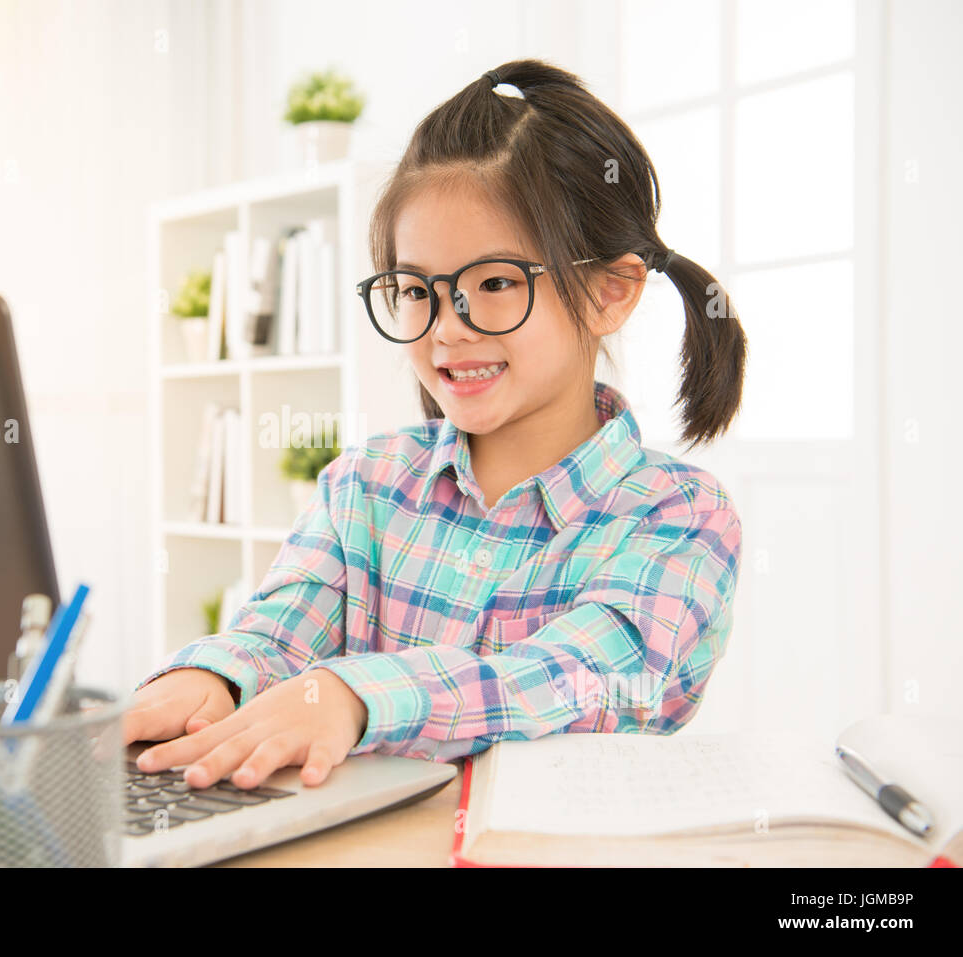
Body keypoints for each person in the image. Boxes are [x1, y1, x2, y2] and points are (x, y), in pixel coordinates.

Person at [125, 59, 747, 792]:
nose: (447, 329)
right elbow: (277, 630)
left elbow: (579, 680)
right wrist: (212, 679)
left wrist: (357, 696)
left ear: (611, 292)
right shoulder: (365, 484)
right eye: (417, 289)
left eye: (494, 284)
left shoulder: (677, 516)